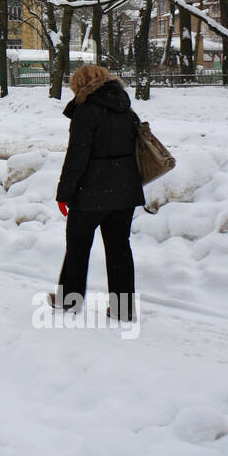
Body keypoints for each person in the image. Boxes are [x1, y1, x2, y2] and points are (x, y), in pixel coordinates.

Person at [51, 64, 145, 320]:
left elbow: (76, 157)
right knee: (119, 251)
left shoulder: (86, 111)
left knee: (78, 247)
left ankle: (69, 299)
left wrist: (64, 193)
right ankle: (123, 309)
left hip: (91, 194)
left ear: (80, 85)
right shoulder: (127, 109)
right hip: (125, 193)